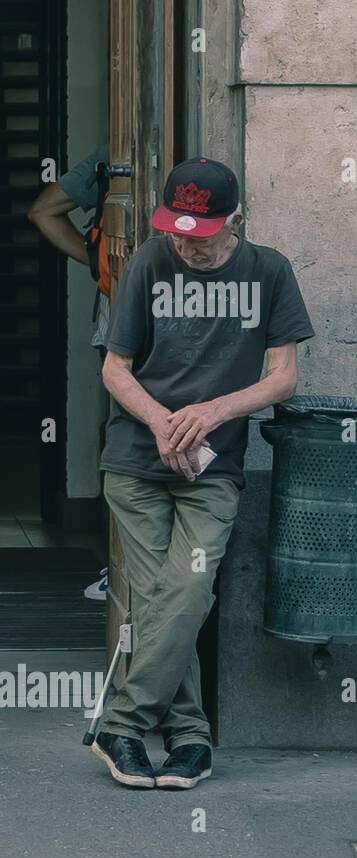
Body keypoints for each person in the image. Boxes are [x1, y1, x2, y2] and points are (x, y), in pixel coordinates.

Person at [91, 156, 314, 789]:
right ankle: (190, 738)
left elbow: (284, 377)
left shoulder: (270, 271)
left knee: (184, 591)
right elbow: (114, 369)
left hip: (214, 469)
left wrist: (214, 410)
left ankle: (123, 725)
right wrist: (165, 424)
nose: (188, 245)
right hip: (136, 463)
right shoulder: (147, 263)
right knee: (160, 599)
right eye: (178, 232)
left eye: (202, 233)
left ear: (234, 219)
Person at [27, 144, 113, 599]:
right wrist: (102, 264)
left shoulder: (110, 156)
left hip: (118, 325)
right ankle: (133, 572)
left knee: (123, 438)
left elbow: (43, 211)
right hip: (168, 324)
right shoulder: (175, 147)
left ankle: (123, 571)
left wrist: (104, 266)